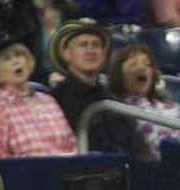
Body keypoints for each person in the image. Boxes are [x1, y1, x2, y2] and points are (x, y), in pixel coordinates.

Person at [50, 17, 134, 154]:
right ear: (66, 54)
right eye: (83, 45)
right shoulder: (55, 102)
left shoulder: (114, 100)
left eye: (96, 45)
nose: (91, 50)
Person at [0, 42, 77, 158]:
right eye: (7, 59)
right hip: (26, 173)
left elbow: (72, 144)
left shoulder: (48, 100)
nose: (16, 61)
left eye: (20, 55)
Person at [108, 44, 180, 161]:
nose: (142, 68)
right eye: (133, 64)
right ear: (118, 73)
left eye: (147, 64)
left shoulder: (173, 108)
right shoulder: (113, 110)